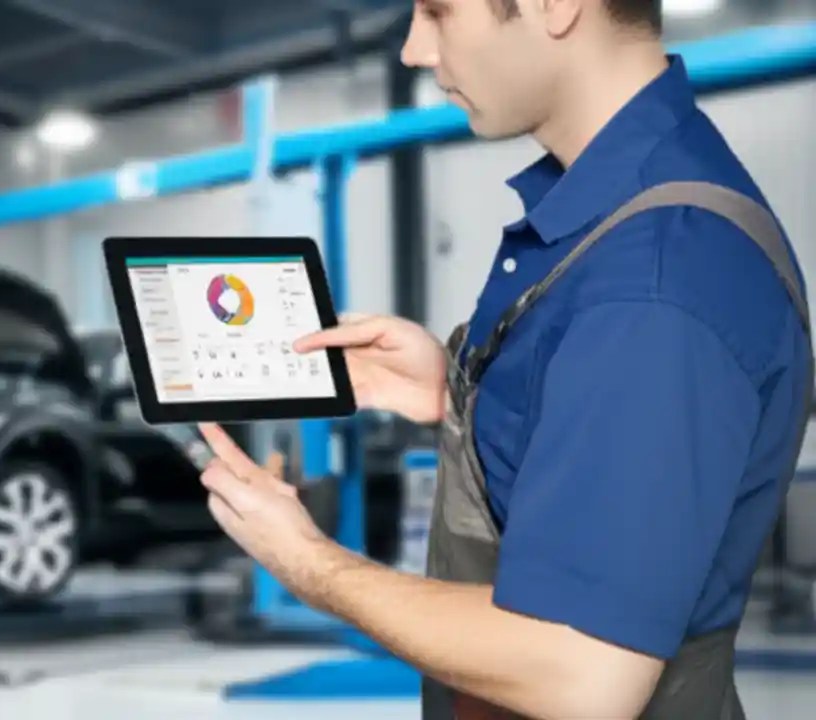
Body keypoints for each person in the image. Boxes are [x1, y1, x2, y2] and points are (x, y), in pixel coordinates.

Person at [194, 1, 813, 718]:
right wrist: (463, 401)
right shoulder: (615, 219)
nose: (412, 51)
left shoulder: (653, 280)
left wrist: (307, 560)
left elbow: (580, 674)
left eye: (437, 11)